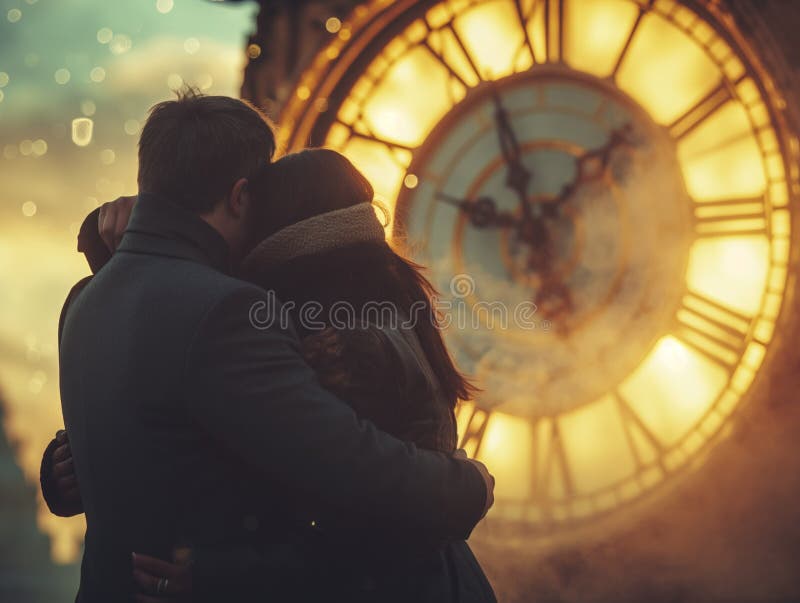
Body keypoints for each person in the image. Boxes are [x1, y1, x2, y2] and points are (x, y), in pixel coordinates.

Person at [45, 90, 494, 602]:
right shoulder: (228, 311)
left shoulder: (84, 301)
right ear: (239, 197)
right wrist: (469, 487)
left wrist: (62, 466)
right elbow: (352, 469)